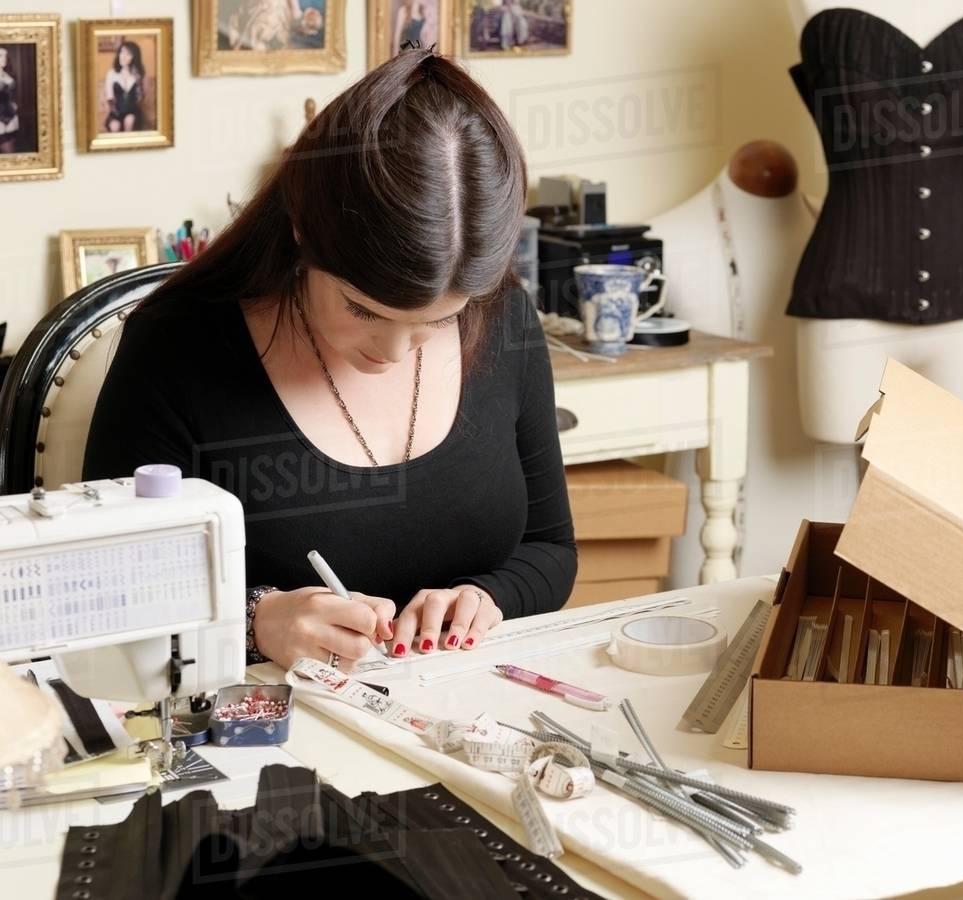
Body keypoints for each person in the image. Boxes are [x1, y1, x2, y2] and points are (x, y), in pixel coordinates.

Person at [83, 47, 577, 672]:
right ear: (301, 231)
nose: (392, 352)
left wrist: (488, 597)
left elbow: (550, 547)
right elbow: (108, 592)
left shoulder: (505, 317)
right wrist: (255, 620)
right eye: (365, 310)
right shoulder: (176, 346)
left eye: (438, 321)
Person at [103, 40, 145, 133]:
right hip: (116, 112)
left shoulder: (137, 75)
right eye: (122, 52)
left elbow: (140, 98)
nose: (123, 56)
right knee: (115, 126)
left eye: (128, 54)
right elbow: (109, 98)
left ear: (134, 57)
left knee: (129, 119)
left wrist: (138, 80)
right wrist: (117, 114)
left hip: (133, 112)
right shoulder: (111, 73)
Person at [0, 47, 20, 154]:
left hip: (12, 117)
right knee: (9, 153)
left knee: (13, 151)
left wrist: (14, 103)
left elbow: (10, 94)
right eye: (0, 56)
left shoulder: (8, 74)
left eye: (5, 56)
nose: (4, 58)